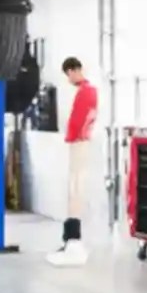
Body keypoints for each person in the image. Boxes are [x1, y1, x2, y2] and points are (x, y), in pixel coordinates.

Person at [47, 56, 98, 267]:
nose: (68, 79)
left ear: (73, 71)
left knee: (75, 188)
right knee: (75, 187)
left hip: (79, 142)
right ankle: (71, 238)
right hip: (81, 141)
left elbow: (78, 119)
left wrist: (73, 137)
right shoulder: (89, 91)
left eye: (68, 75)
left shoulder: (85, 92)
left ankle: (73, 238)